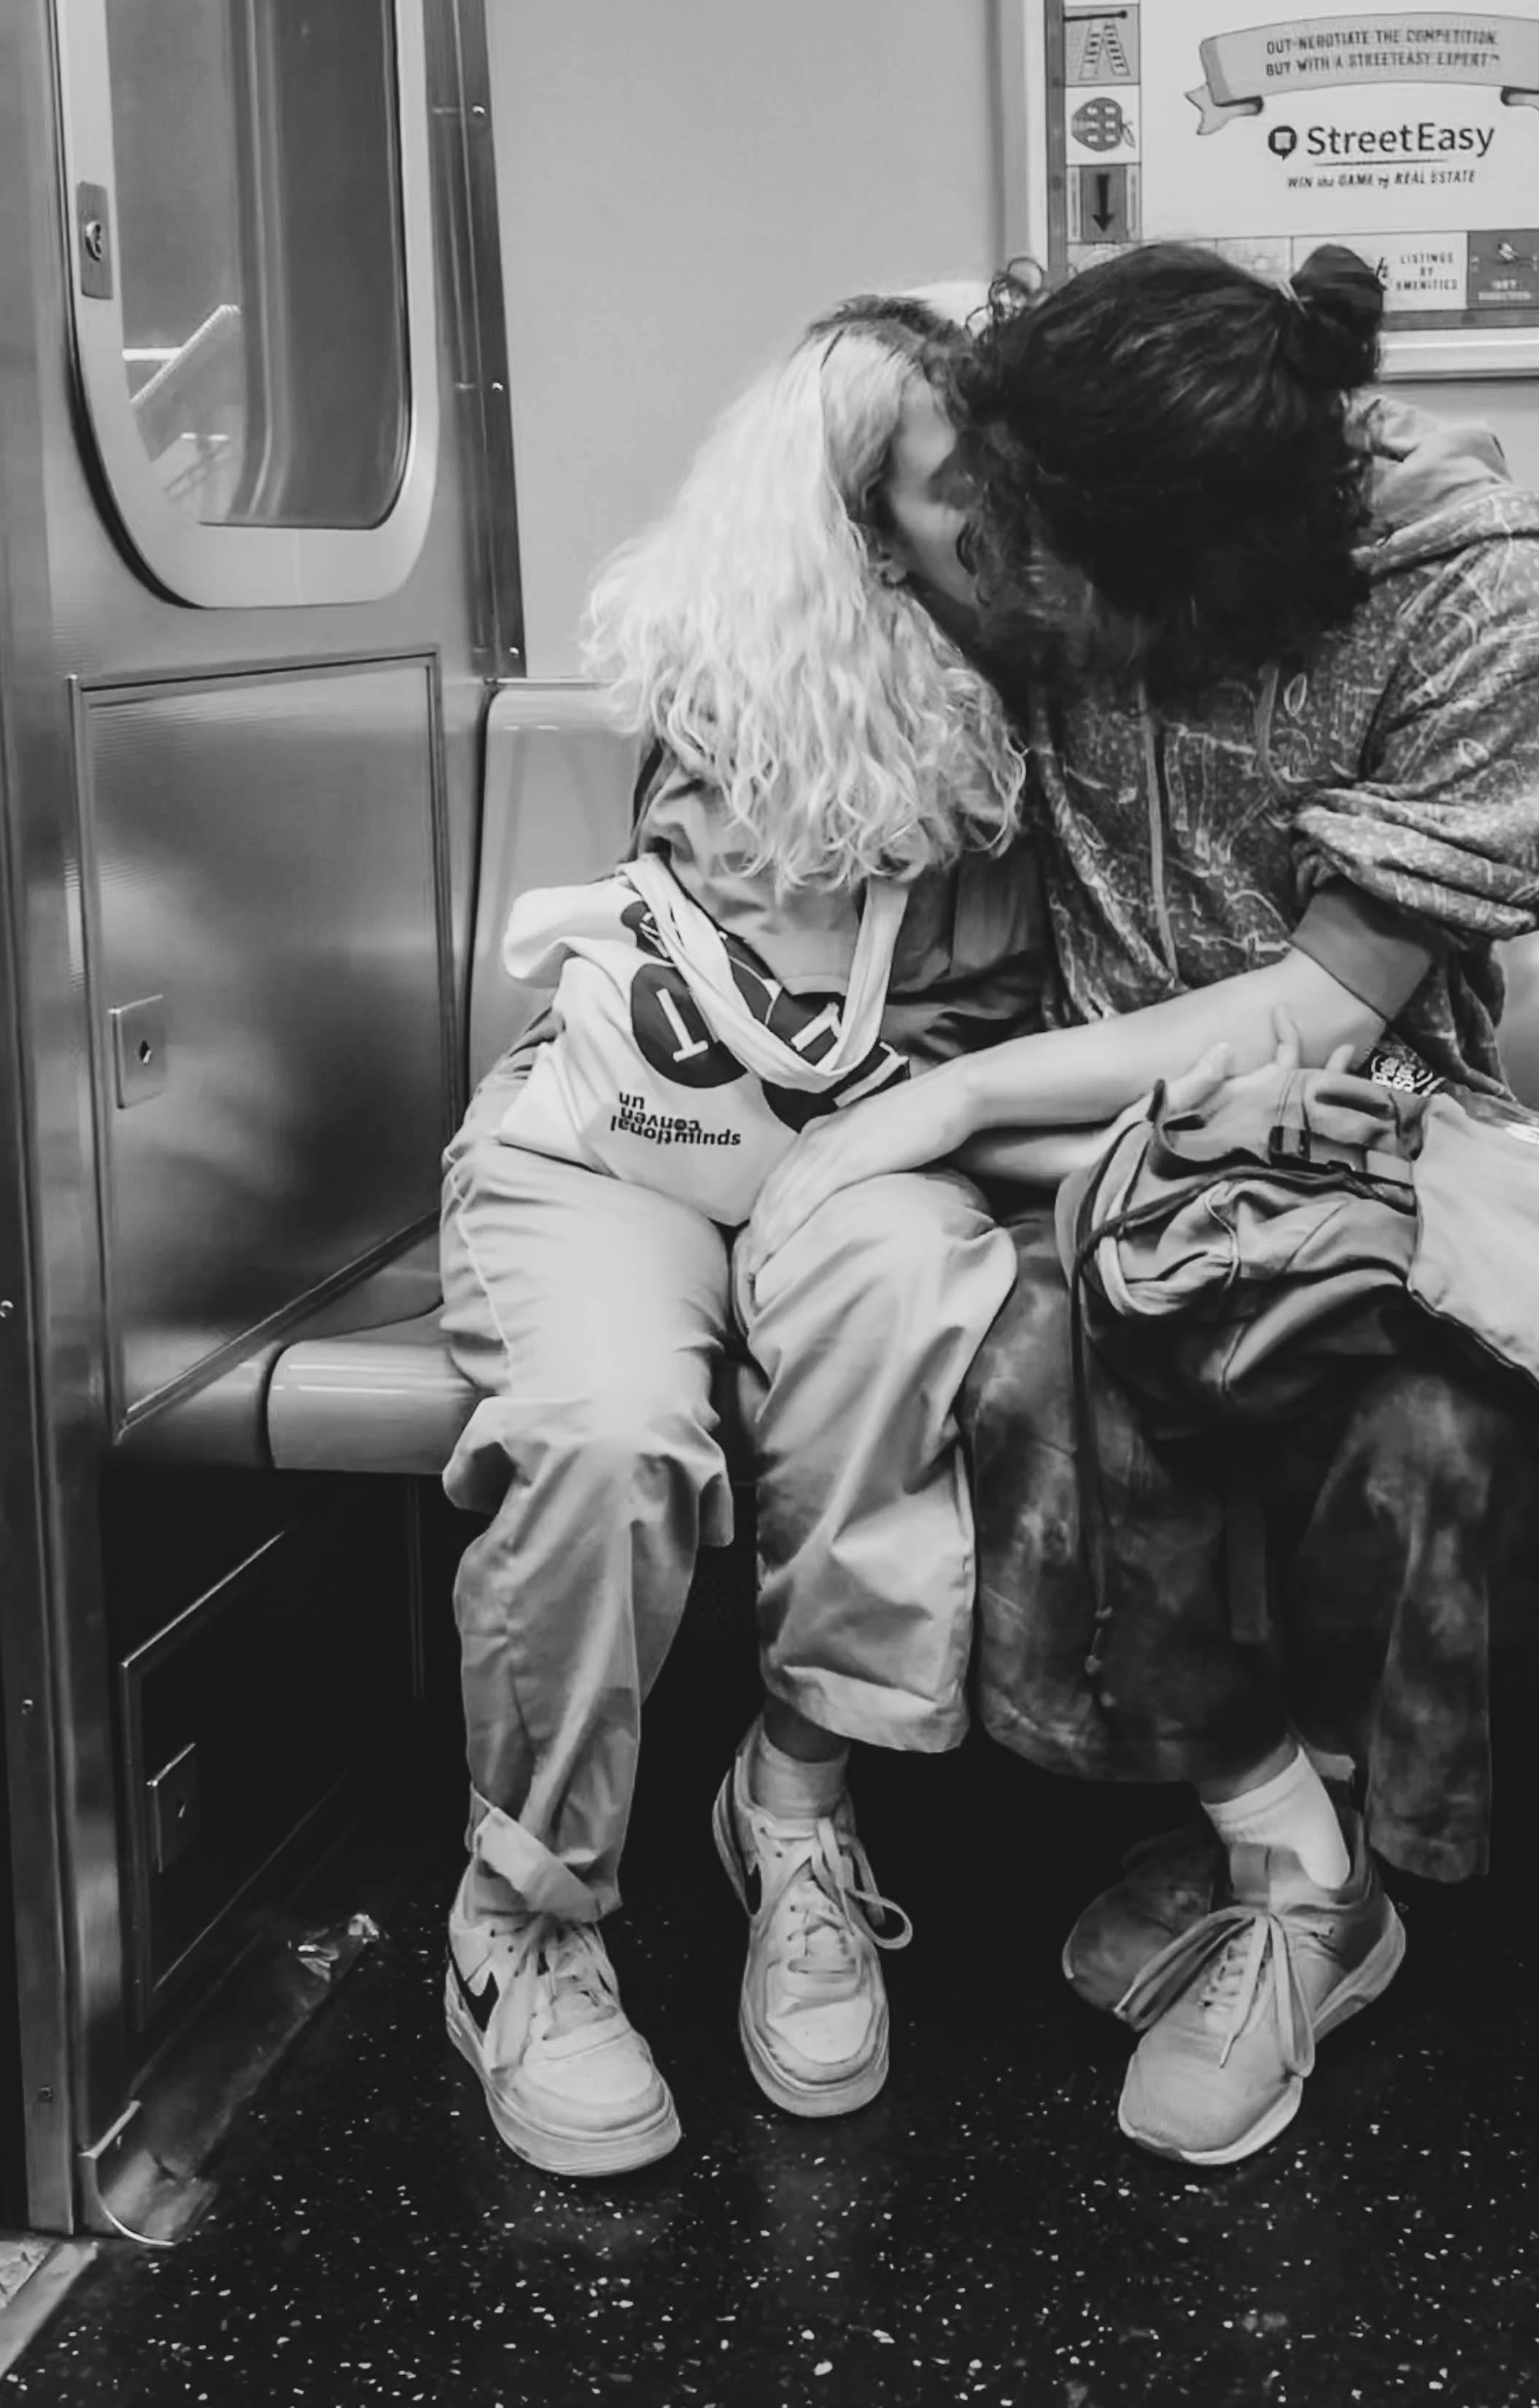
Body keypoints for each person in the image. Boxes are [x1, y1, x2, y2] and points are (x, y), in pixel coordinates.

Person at [746, 241, 1539, 2170]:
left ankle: (1335, 1888)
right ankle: (1263, 1836)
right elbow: (894, 394)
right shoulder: (1079, 452)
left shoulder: (1473, 585)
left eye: (1059, 566)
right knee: (1027, 1358)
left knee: (1420, 1426)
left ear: (1204, 573)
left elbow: (1325, 1006)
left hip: (1360, 1137)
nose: (1018, 594)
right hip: (1092, 1144)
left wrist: (931, 1107)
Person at [438, 285, 1044, 2175]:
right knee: (610, 1434)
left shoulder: (1074, 676)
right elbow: (760, 1030)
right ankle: (522, 1929)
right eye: (966, 500)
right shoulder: (754, 676)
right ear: (853, 532)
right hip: (625, 1146)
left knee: (891, 1322)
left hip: (874, 1159)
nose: (1011, 534)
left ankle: (794, 1805)